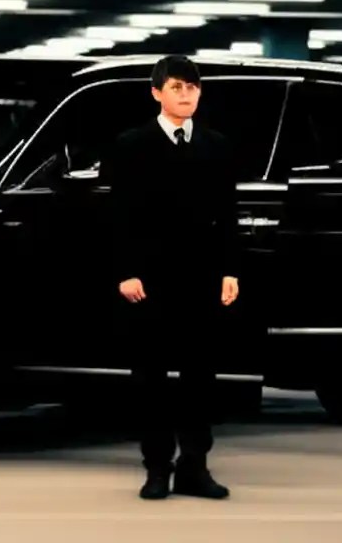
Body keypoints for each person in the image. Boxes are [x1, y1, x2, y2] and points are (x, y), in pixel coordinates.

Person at [99, 55, 239, 501]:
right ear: (156, 93)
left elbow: (229, 213)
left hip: (202, 276)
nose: (186, 94)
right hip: (150, 279)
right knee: (151, 378)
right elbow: (119, 215)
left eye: (192, 87)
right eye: (177, 87)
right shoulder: (131, 145)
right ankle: (157, 467)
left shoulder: (217, 145)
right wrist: (125, 270)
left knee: (201, 377)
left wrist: (229, 269)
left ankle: (195, 467)